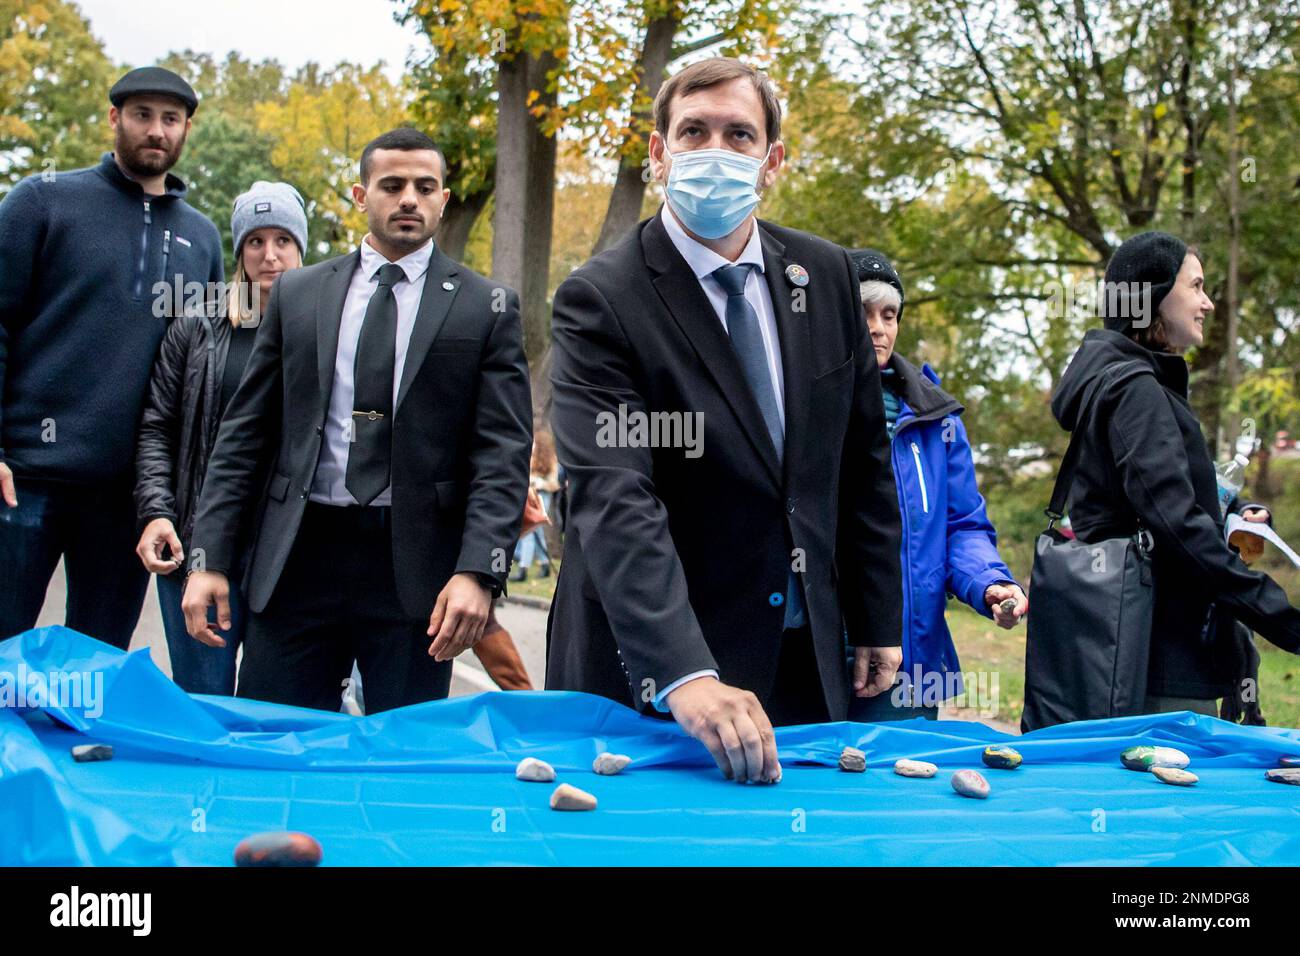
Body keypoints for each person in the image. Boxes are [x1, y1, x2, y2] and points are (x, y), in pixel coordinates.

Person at [547, 57, 903, 784]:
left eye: (739, 135)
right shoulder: (600, 299)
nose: (715, 151)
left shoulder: (827, 275)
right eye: (693, 131)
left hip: (805, 662)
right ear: (658, 153)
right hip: (658, 677)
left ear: (772, 161)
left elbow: (861, 459)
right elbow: (616, 496)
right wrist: (685, 674)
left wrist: (877, 618)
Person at [182, 127, 533, 713]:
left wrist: (479, 572)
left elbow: (502, 454)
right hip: (298, 557)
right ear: (359, 194)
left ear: (444, 199)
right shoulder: (298, 294)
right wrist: (209, 558)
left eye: (426, 187)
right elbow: (244, 436)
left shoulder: (486, 307)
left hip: (416, 573)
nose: (409, 199)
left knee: (404, 765)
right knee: (276, 746)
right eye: (392, 185)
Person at [0, 66, 223, 646]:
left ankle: (82, 745)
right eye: (142, 115)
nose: (157, 130)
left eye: (170, 119)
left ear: (187, 129)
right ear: (114, 118)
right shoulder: (42, 201)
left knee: (96, 668)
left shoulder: (202, 238)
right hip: (23, 479)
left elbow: (207, 366)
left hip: (129, 498)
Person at [1052, 231, 1300, 716]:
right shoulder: (1136, 389)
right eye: (1196, 286)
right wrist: (1283, 618)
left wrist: (1226, 513)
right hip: (1159, 663)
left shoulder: (1127, 383)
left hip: (1137, 651)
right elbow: (1176, 529)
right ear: (1152, 296)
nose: (1208, 302)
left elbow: (1146, 507)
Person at [134, 182, 308, 694]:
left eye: (283, 240)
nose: (269, 255)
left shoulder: (328, 327)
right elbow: (156, 427)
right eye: (255, 241)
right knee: (202, 701)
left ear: (301, 246)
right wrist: (156, 511)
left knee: (276, 711)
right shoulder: (197, 324)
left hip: (288, 553)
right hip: (200, 543)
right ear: (239, 251)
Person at [846, 249, 1027, 720]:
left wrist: (991, 584)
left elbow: (963, 525)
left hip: (913, 661)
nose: (878, 328)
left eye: (889, 314)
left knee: (907, 787)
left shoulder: (936, 419)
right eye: (862, 312)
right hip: (827, 655)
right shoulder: (804, 402)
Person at [510, 431, 560, 582]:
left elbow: (554, 484)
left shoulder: (550, 460)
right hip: (529, 495)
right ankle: (545, 564)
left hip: (542, 496)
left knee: (531, 532)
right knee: (535, 532)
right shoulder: (530, 458)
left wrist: (539, 483)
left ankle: (523, 569)